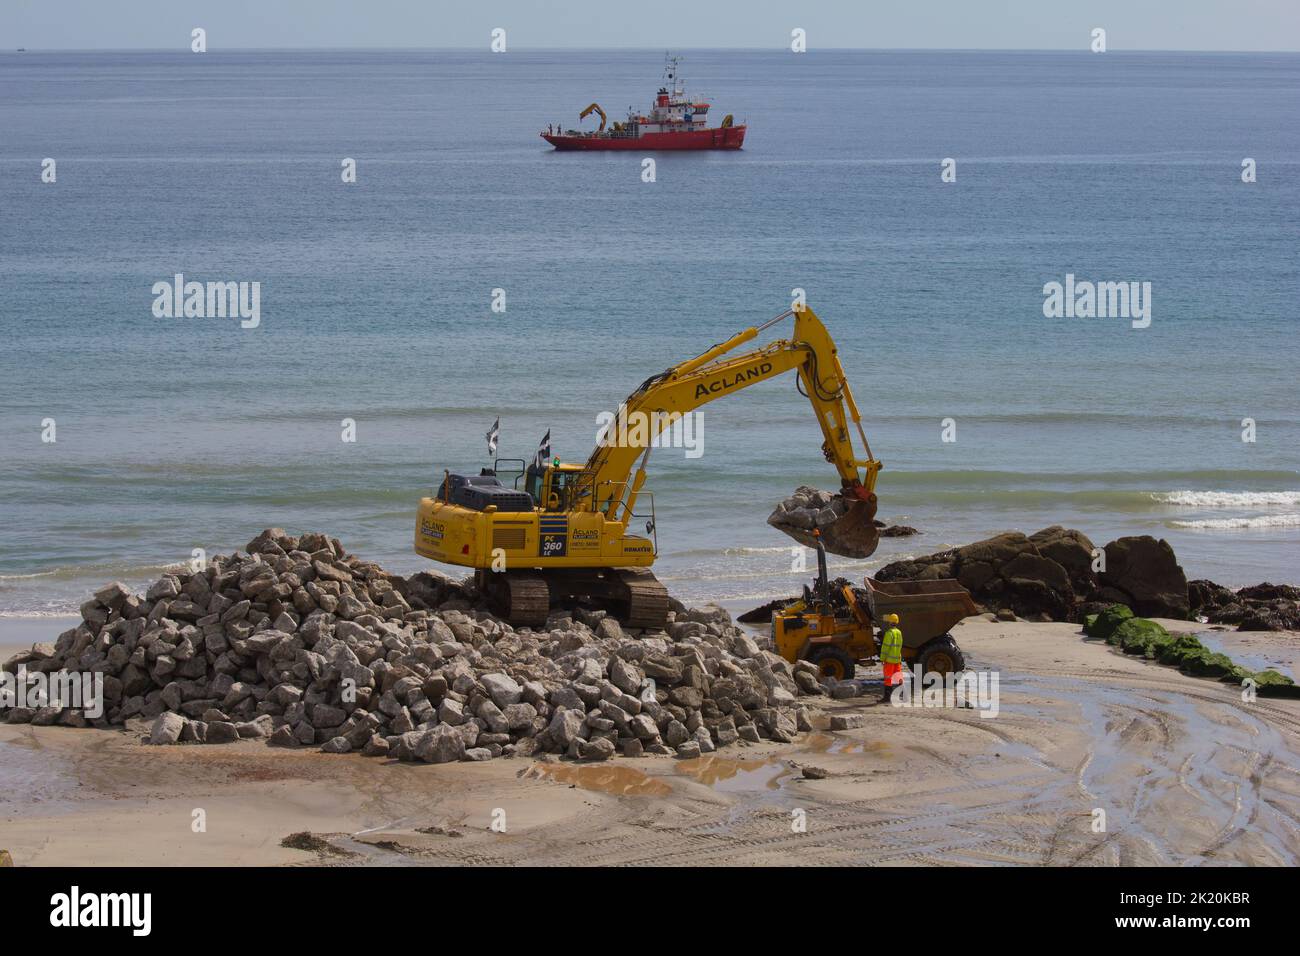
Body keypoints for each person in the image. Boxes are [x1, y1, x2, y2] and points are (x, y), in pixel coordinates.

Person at [879, 613, 904, 697]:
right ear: (897, 622)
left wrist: (882, 658)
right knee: (898, 677)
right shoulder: (899, 632)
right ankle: (902, 694)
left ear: (890, 622)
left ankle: (887, 696)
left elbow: (885, 647)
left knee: (888, 678)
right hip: (897, 659)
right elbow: (900, 646)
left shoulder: (889, 633)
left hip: (889, 660)